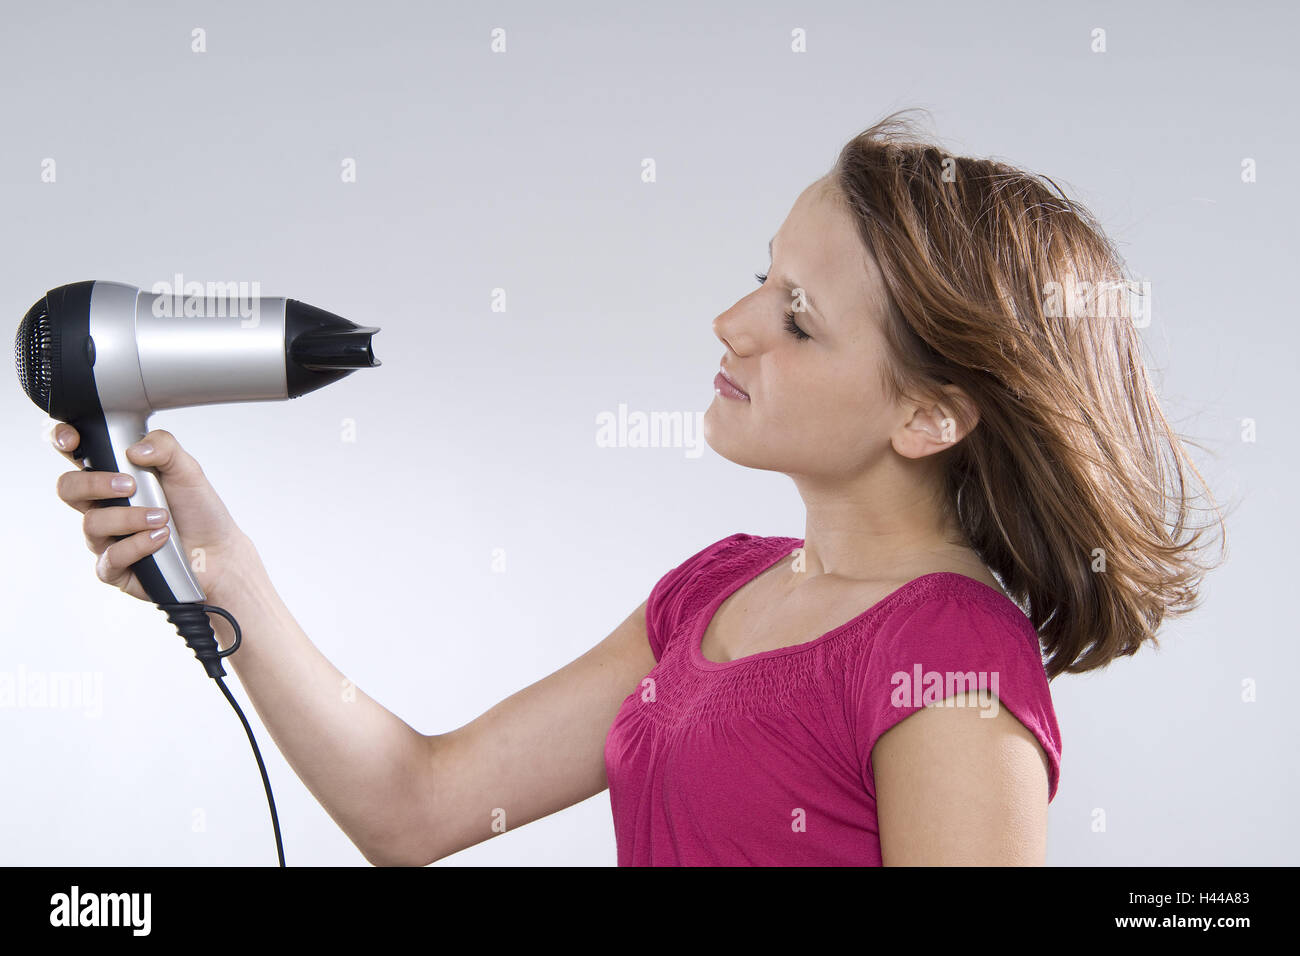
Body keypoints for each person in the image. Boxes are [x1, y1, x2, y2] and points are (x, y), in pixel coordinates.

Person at [48, 111, 1223, 866]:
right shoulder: (710, 593)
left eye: (797, 319)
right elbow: (413, 805)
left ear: (930, 413)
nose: (731, 322)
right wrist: (222, 572)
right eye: (762, 279)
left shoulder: (952, 657)